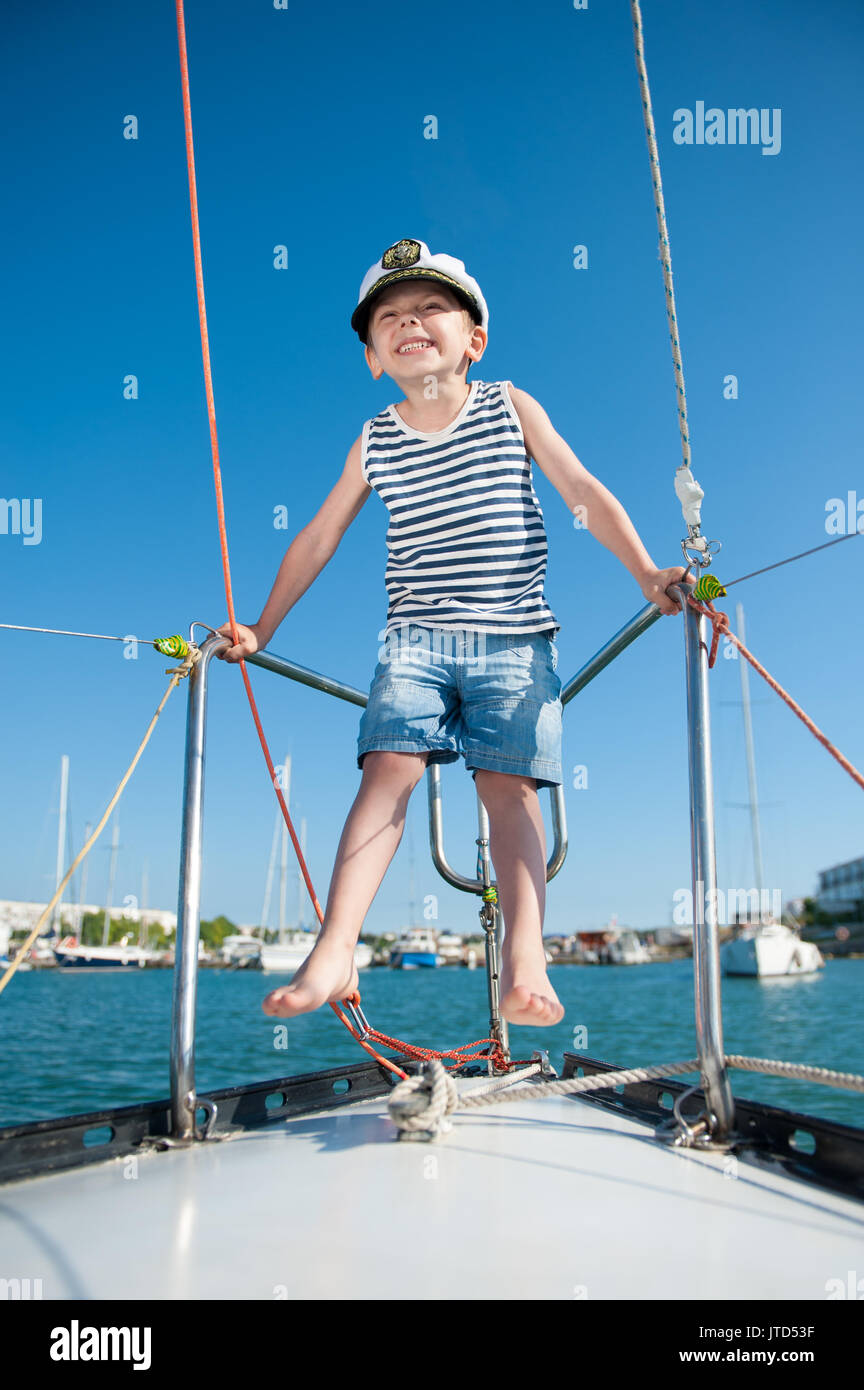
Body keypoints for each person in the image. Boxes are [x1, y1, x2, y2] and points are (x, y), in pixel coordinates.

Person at [218, 237, 690, 1028]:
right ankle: (336, 949)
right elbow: (318, 537)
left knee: (508, 791)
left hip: (513, 638)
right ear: (373, 355)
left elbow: (581, 489)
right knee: (387, 772)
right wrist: (263, 627)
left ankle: (525, 960)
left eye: (431, 307)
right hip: (415, 641)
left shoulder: (510, 404)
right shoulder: (374, 440)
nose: (410, 321)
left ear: (473, 339)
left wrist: (647, 574)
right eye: (389, 316)